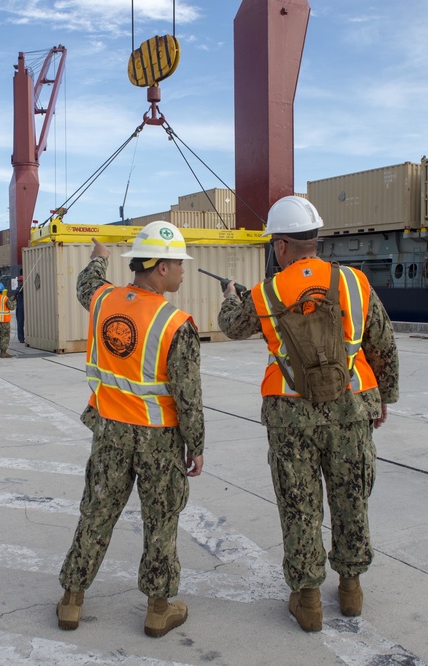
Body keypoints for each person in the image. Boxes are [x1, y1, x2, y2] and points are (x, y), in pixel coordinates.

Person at [217, 196, 399, 632]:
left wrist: (230, 297)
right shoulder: (355, 282)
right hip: (351, 408)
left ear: (280, 246)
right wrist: (383, 398)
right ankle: (351, 590)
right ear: (315, 238)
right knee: (350, 497)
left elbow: (231, 326)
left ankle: (309, 600)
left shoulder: (266, 292)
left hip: (290, 416)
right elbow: (384, 343)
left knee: (299, 506)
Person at [57, 221, 205, 639]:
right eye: (178, 264)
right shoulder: (175, 323)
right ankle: (159, 610)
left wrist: (99, 257)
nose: (182, 271)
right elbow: (188, 395)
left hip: (110, 431)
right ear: (159, 267)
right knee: (161, 520)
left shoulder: (104, 300)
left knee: (96, 512)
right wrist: (197, 445)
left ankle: (71, 600)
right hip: (159, 438)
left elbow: (88, 284)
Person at [0, 281, 14, 358]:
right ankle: (3, 352)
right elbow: (12, 307)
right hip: (4, 321)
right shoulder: (5, 298)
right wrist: (12, 300)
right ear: (3, 290)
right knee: (5, 336)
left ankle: (1, 351)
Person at [14, 275, 26, 344]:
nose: (20, 283)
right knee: (20, 323)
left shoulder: (26, 288)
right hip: (20, 308)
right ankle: (21, 338)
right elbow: (15, 293)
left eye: (21, 281)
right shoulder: (18, 289)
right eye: (19, 281)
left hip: (24, 307)